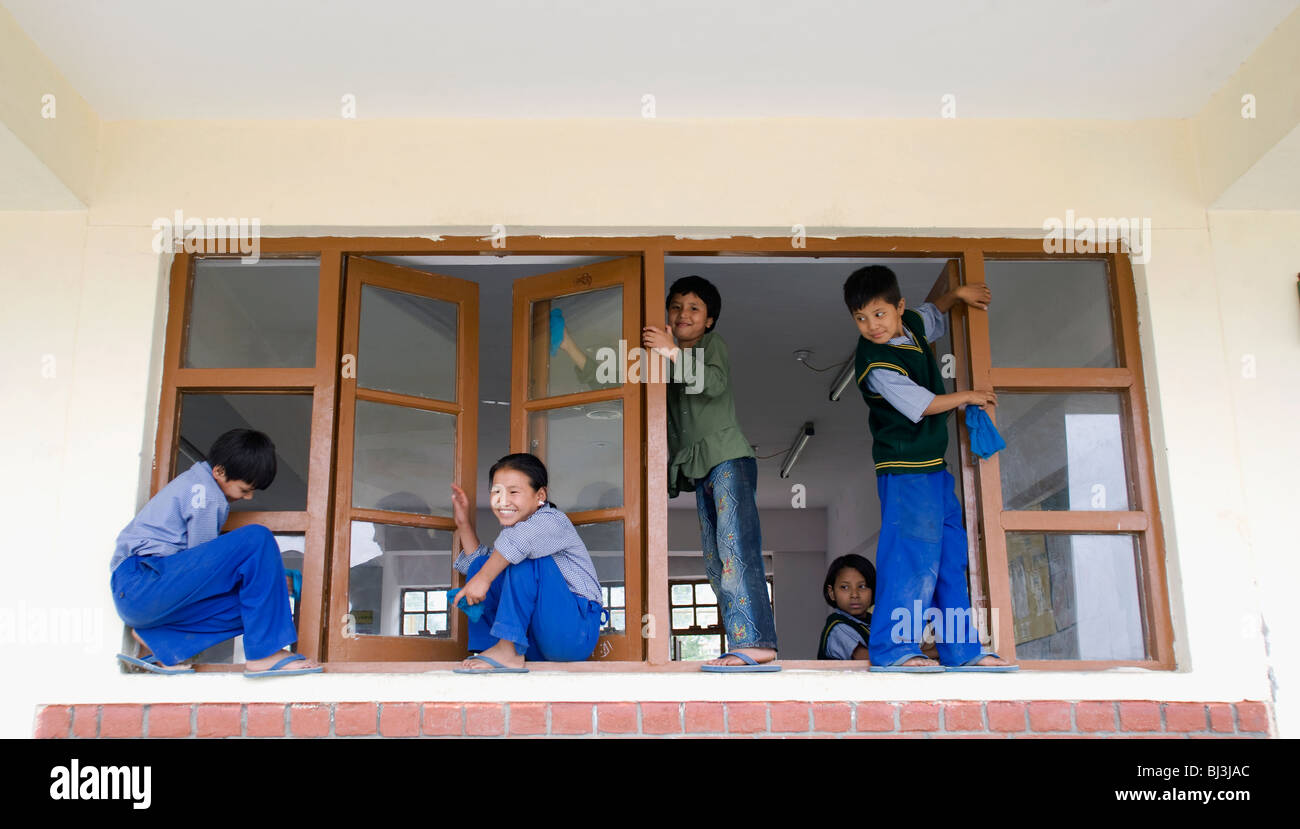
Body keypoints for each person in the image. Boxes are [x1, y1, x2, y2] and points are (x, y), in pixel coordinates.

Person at [844, 265, 1015, 672]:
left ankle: (963, 651)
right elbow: (921, 404)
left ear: (898, 308)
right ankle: (893, 649)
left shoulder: (913, 326)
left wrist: (957, 294)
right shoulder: (875, 362)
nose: (872, 326)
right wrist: (968, 395)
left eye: (880, 314)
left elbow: (932, 311)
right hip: (904, 469)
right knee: (911, 559)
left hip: (934, 468)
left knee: (951, 558)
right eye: (861, 318)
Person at [643, 275, 779, 672]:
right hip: (703, 467)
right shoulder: (663, 360)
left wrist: (671, 352)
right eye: (676, 306)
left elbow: (714, 384)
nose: (683, 314)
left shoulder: (709, 346)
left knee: (737, 552)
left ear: (709, 321)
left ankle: (756, 643)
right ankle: (742, 643)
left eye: (694, 308)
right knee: (715, 560)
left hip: (728, 459)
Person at [110, 428, 320, 677]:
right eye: (244, 490)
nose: (249, 497)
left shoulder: (202, 486)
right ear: (219, 472)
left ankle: (160, 640)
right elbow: (205, 559)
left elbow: (205, 570)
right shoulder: (204, 492)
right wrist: (269, 577)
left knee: (257, 601)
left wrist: (270, 582)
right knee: (257, 538)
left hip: (146, 598)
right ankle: (265, 654)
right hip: (142, 581)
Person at [449, 453, 604, 673]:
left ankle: (506, 650)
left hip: (573, 634)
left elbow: (519, 542)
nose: (503, 501)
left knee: (517, 560)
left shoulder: (553, 521)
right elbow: (482, 565)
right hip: (535, 640)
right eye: (497, 492)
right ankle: (493, 649)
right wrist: (463, 523)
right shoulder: (512, 540)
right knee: (483, 564)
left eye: (513, 492)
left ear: (540, 495)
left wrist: (483, 579)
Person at [818, 554, 876, 661]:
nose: (854, 594)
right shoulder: (837, 627)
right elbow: (866, 658)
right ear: (831, 593)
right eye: (845, 587)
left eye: (862, 586)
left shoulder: (873, 621)